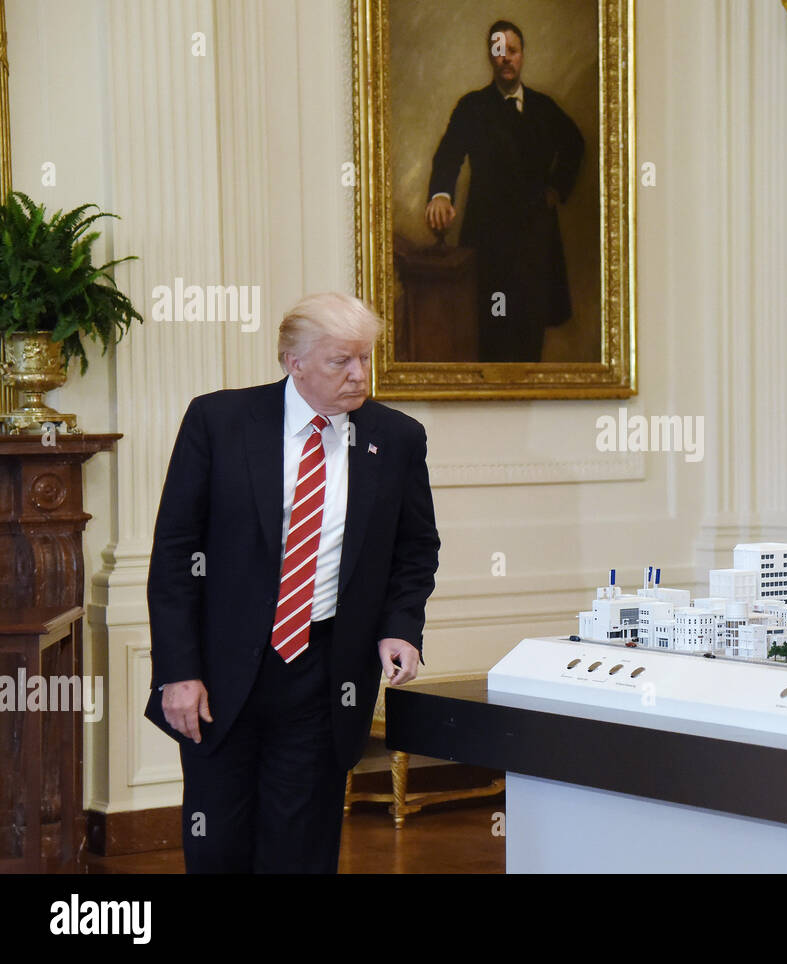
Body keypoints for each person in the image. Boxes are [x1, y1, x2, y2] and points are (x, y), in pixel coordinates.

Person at [145, 292, 441, 873]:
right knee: (218, 843)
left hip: (326, 672)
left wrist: (400, 628)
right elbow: (176, 556)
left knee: (300, 845)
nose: (358, 375)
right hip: (221, 674)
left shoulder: (396, 438)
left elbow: (415, 549)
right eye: (340, 361)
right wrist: (178, 672)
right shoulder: (220, 421)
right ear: (293, 361)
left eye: (365, 359)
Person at [425, 19, 584, 363]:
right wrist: (441, 194)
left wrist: (558, 187)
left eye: (512, 50)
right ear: (490, 58)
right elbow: (449, 154)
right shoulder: (473, 107)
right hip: (488, 238)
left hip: (535, 241)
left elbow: (574, 144)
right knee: (491, 327)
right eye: (498, 51)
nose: (505, 58)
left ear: (522, 55)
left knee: (530, 330)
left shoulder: (543, 108)